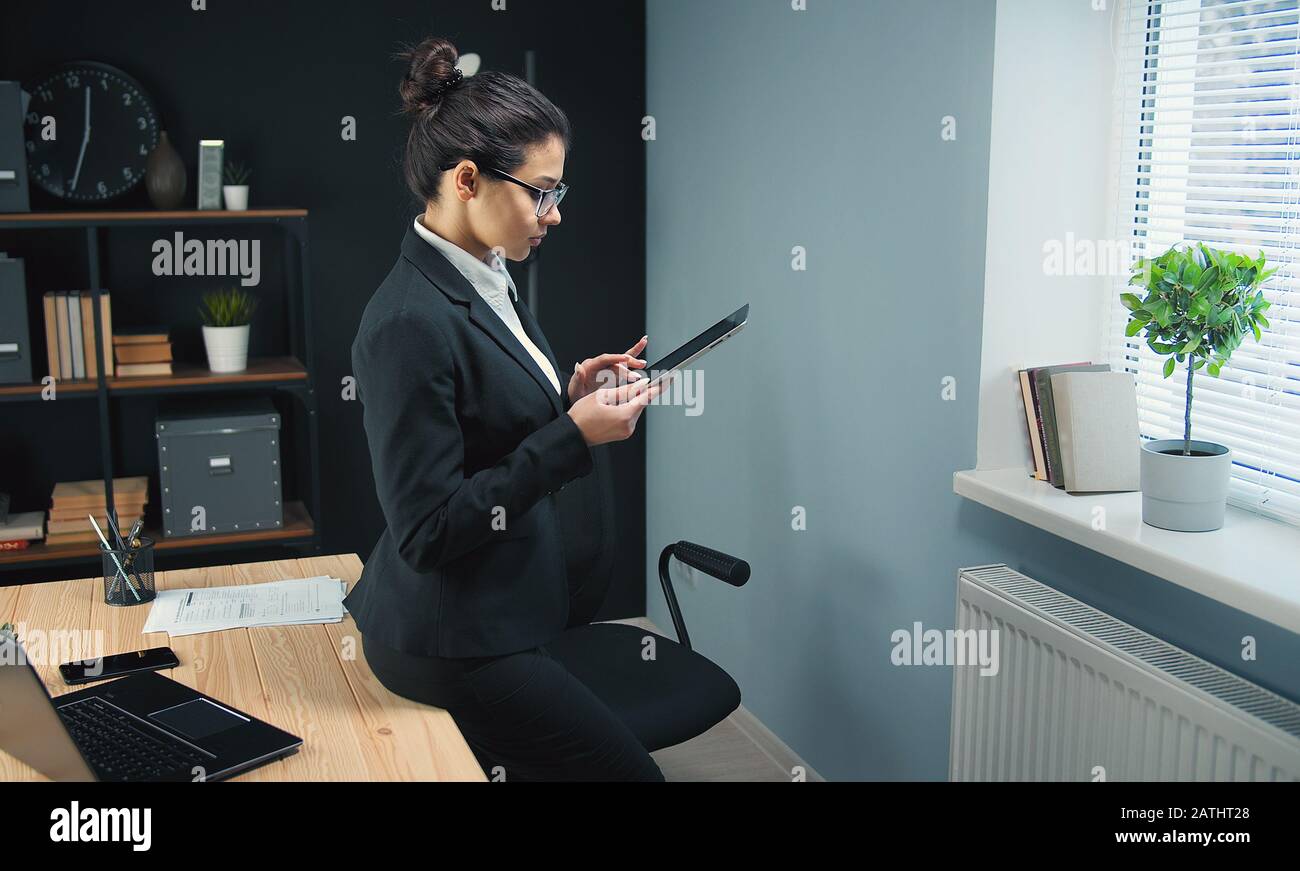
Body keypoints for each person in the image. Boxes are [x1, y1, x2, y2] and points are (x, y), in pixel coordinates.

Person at [343, 35, 667, 781]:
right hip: (449, 638)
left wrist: (569, 397)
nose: (554, 215)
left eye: (560, 192)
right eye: (541, 192)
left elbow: (484, 426)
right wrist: (573, 439)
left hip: (509, 609)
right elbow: (425, 529)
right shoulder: (406, 322)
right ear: (466, 180)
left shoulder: (487, 269)